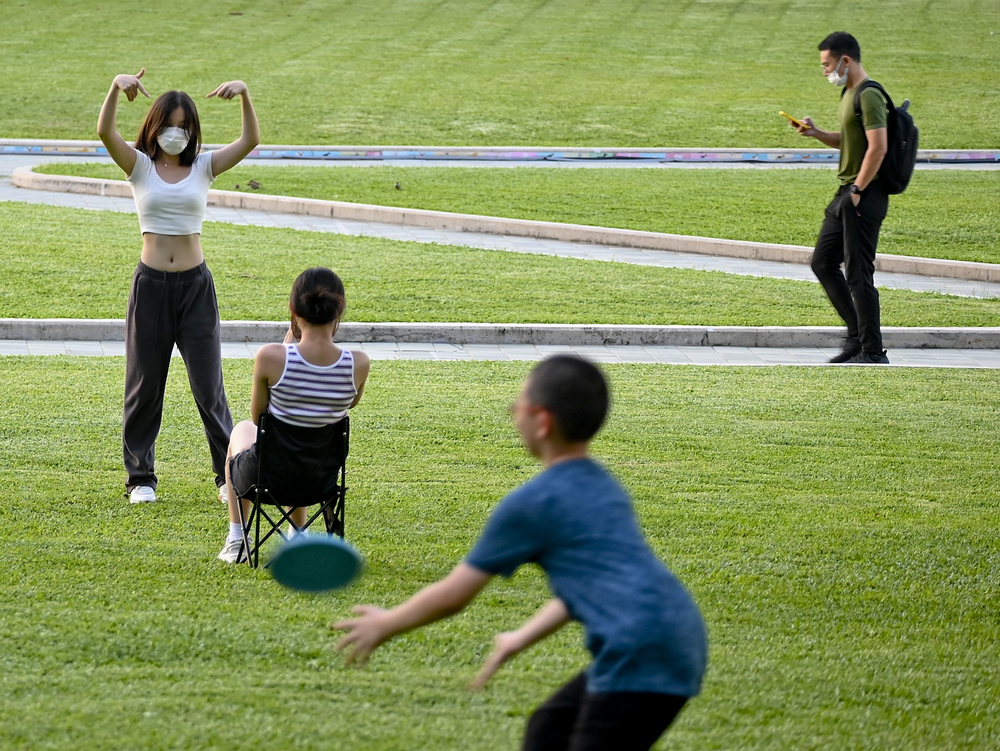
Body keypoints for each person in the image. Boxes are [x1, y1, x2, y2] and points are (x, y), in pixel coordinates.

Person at [334, 356, 707, 751]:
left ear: (542, 420)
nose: (514, 414)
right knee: (550, 728)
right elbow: (589, 586)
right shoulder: (604, 484)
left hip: (639, 649)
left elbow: (454, 595)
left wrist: (387, 623)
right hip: (676, 632)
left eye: (518, 406)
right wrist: (519, 638)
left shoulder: (532, 504)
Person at [97, 68, 260, 503]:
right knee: (144, 385)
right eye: (169, 124)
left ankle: (229, 476)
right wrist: (116, 86)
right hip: (151, 287)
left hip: (195, 288)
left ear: (193, 132)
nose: (176, 133)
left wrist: (244, 94)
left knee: (209, 387)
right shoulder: (140, 166)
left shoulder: (203, 167)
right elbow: (104, 131)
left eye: (184, 127)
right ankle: (141, 479)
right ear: (154, 125)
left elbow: (250, 142)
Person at [218, 267, 371, 563]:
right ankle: (297, 536)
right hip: (319, 481)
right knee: (303, 441)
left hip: (268, 477)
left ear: (293, 309)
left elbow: (259, 416)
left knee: (241, 431)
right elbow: (350, 405)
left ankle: (237, 538)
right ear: (339, 310)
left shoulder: (271, 357)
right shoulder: (358, 363)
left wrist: (289, 342)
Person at [792, 32, 891, 364]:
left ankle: (872, 351)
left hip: (864, 192)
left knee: (858, 272)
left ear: (845, 61)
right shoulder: (849, 94)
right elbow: (852, 141)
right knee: (822, 262)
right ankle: (855, 336)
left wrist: (858, 190)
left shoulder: (870, 94)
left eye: (827, 64)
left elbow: (878, 147)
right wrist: (817, 133)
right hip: (847, 191)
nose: (824, 71)